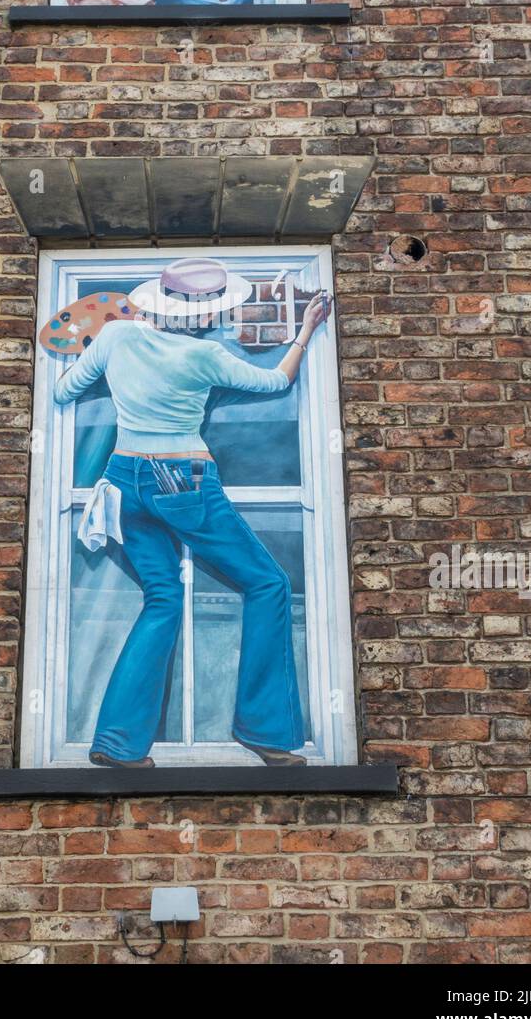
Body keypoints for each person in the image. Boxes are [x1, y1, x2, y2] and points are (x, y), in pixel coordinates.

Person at [53, 257, 330, 768]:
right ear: (204, 314)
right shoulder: (204, 356)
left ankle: (116, 743)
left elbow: (63, 390)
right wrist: (305, 334)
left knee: (161, 598)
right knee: (267, 584)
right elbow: (276, 385)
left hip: (122, 479)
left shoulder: (115, 338)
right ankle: (265, 732)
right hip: (182, 479)